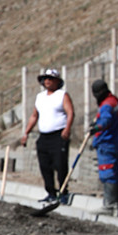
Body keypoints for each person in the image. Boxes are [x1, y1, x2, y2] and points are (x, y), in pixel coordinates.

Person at [20, 68, 75, 206]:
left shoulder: (62, 95)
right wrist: (26, 132)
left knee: (60, 164)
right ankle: (50, 192)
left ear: (57, 81)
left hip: (58, 135)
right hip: (44, 136)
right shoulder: (40, 97)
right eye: (45, 79)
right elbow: (34, 116)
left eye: (50, 79)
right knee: (45, 166)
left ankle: (63, 192)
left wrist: (67, 128)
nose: (47, 81)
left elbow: (70, 112)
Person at [89, 78, 118, 216]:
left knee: (107, 173)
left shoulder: (106, 105)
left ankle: (109, 205)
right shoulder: (115, 101)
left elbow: (106, 120)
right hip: (114, 142)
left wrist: (96, 128)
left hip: (106, 142)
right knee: (117, 173)